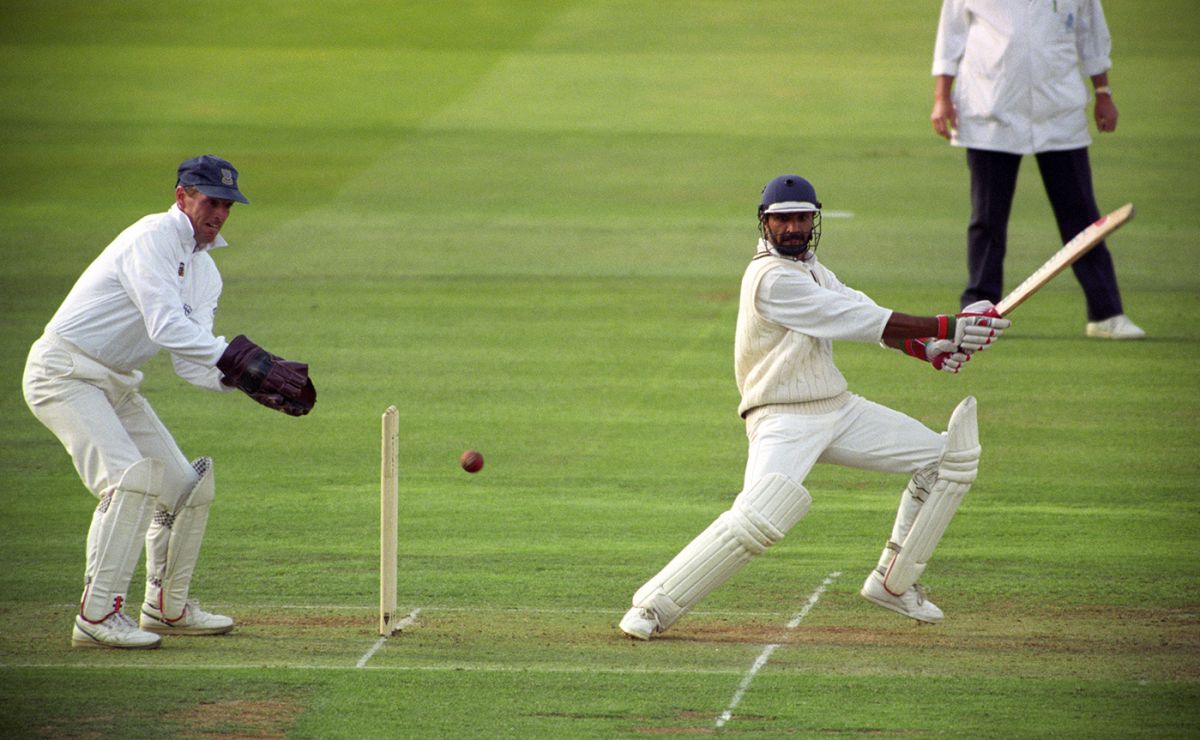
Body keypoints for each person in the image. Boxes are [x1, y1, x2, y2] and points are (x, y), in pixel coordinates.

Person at [619, 174, 1010, 640]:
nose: (793, 228)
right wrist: (951, 323)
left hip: (838, 410)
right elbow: (852, 319)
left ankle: (893, 581)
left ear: (814, 220)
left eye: (801, 217)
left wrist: (929, 346)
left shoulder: (814, 270)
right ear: (765, 223)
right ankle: (652, 606)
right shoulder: (770, 279)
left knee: (947, 461)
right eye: (783, 219)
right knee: (760, 517)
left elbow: (859, 306)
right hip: (782, 417)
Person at [22, 155, 317, 649]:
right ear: (183, 196)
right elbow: (164, 326)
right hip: (64, 373)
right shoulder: (152, 237)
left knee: (186, 488)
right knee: (129, 480)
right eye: (210, 201)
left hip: (115, 384)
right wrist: (238, 357)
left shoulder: (205, 273)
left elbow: (190, 362)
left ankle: (166, 607)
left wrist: (243, 380)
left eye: (226, 204)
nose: (219, 213)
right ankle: (97, 616)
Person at [930, 0, 1144, 339]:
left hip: (1058, 112)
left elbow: (1091, 36)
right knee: (987, 219)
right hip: (991, 111)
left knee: (1081, 217)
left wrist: (1103, 91)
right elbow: (951, 36)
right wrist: (942, 97)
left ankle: (1106, 313)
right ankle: (979, 313)